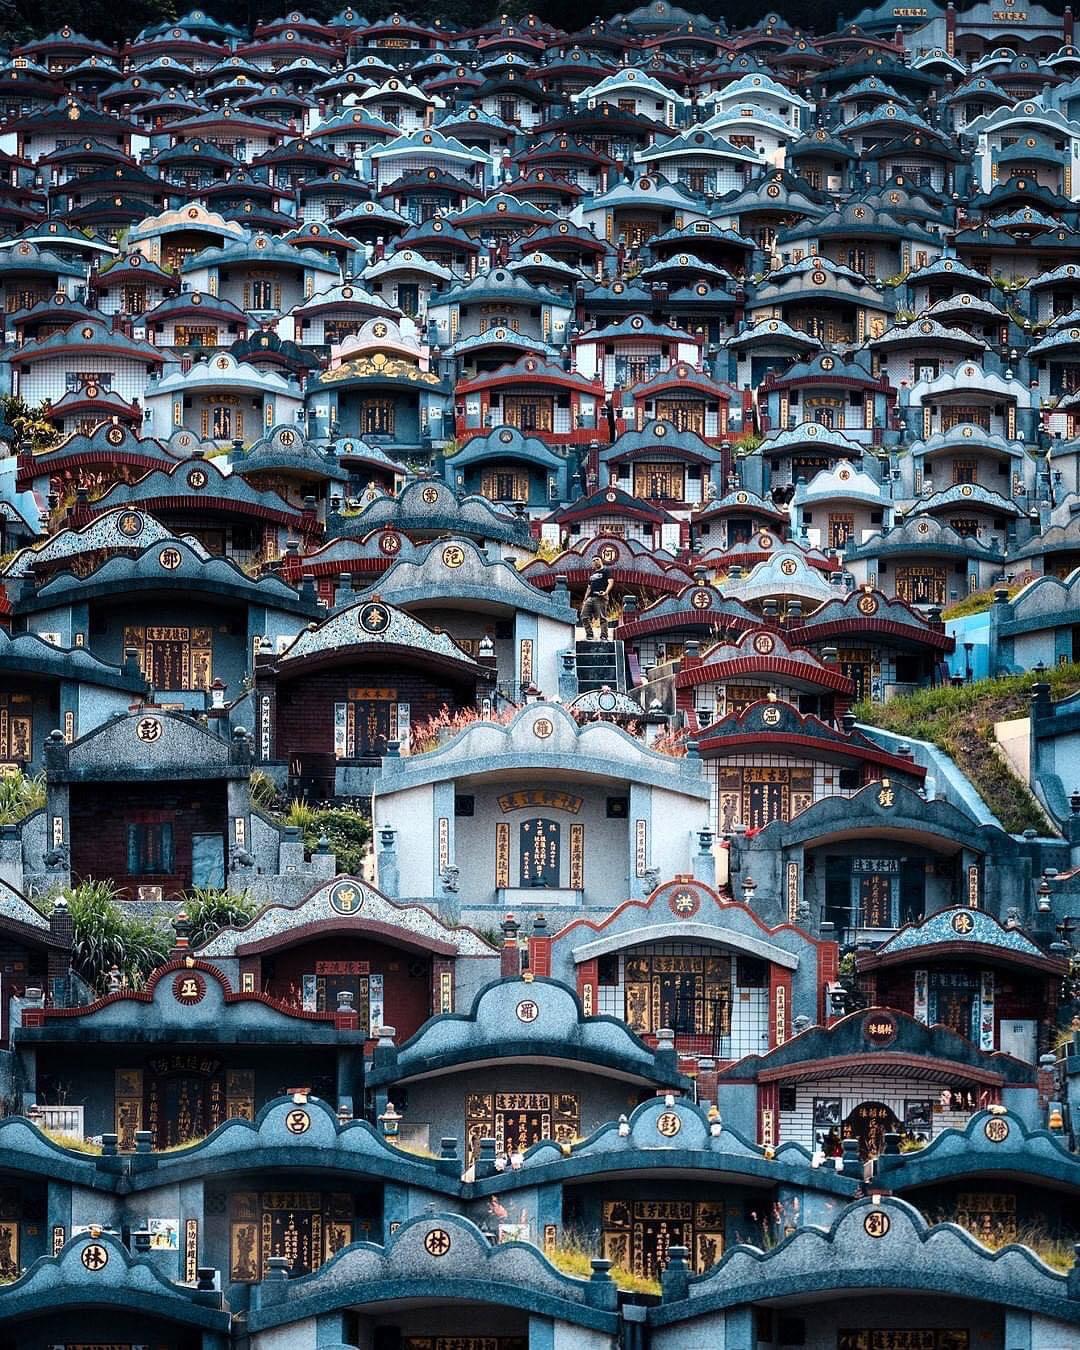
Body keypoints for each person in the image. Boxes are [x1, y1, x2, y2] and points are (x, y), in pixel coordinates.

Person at [580, 557, 613, 639]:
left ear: (601, 561)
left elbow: (610, 582)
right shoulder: (592, 574)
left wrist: (606, 592)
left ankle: (604, 635)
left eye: (597, 559)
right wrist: (585, 599)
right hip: (590, 598)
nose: (595, 561)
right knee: (584, 616)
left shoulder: (606, 571)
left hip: (601, 597)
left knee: (602, 617)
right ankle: (589, 634)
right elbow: (589, 588)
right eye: (593, 560)